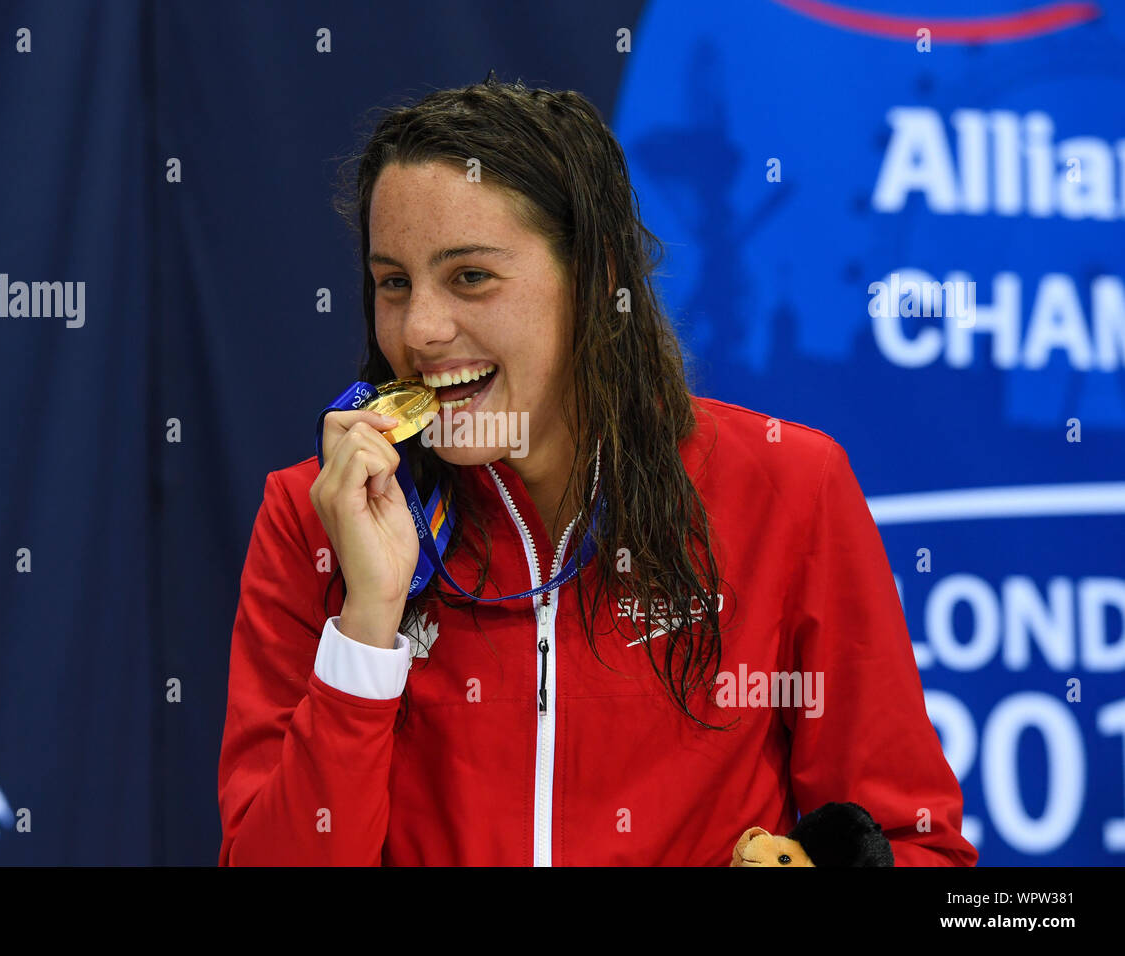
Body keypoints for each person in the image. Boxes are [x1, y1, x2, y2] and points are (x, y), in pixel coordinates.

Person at [216, 76, 977, 866]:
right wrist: (368, 630)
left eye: (471, 276)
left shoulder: (789, 486)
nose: (421, 330)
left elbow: (912, 846)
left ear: (593, 278)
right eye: (393, 283)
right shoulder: (315, 517)